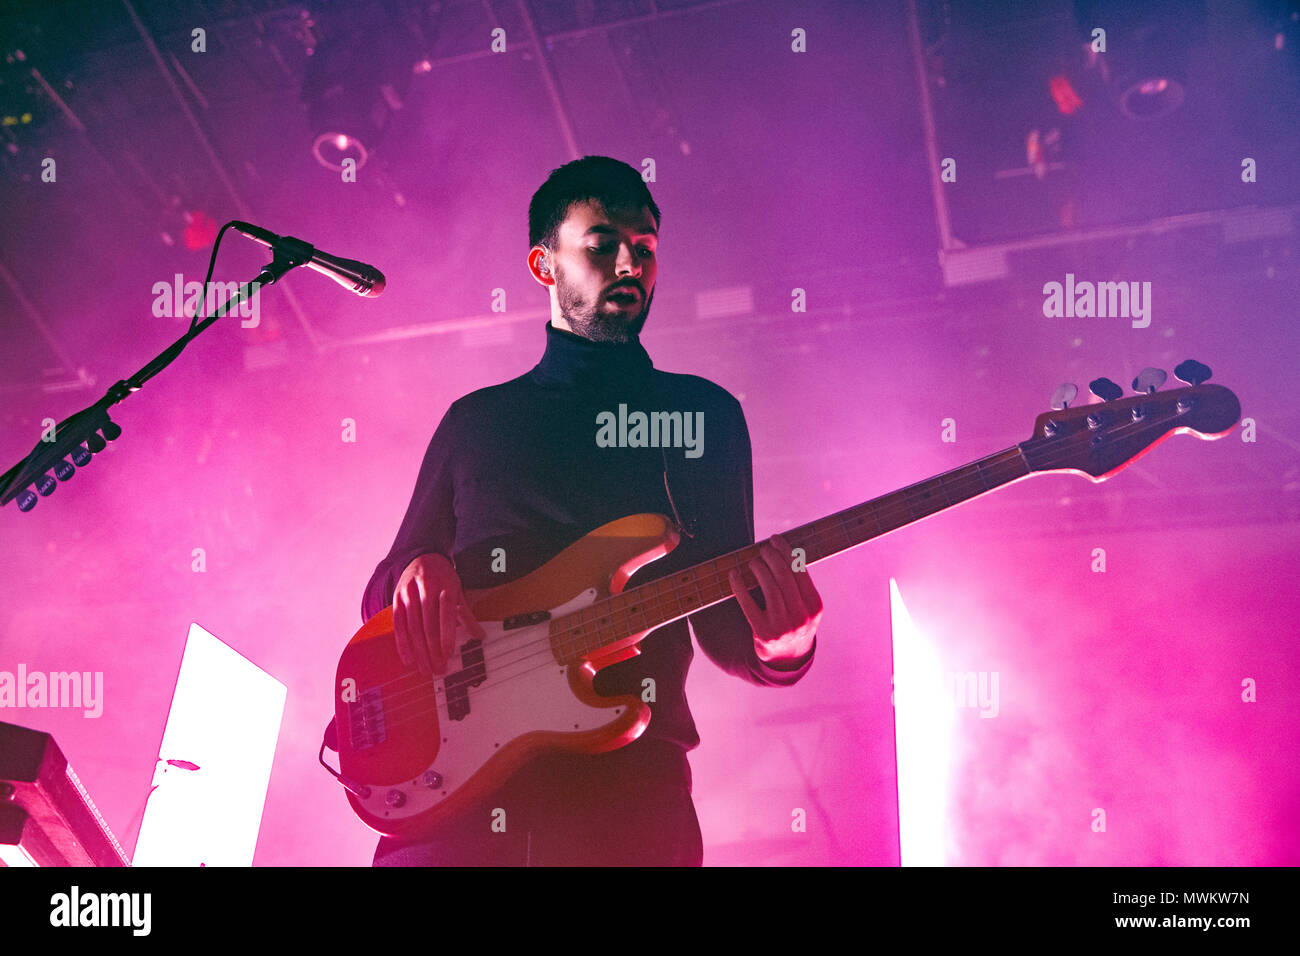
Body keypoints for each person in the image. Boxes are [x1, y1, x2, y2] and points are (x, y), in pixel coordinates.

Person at [363, 156, 821, 866]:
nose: (629, 262)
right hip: (453, 792)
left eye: (644, 247)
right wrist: (414, 572)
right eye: (601, 242)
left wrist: (783, 649)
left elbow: (726, 623)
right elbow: (383, 593)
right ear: (544, 264)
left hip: (625, 794)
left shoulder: (700, 416)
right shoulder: (477, 422)